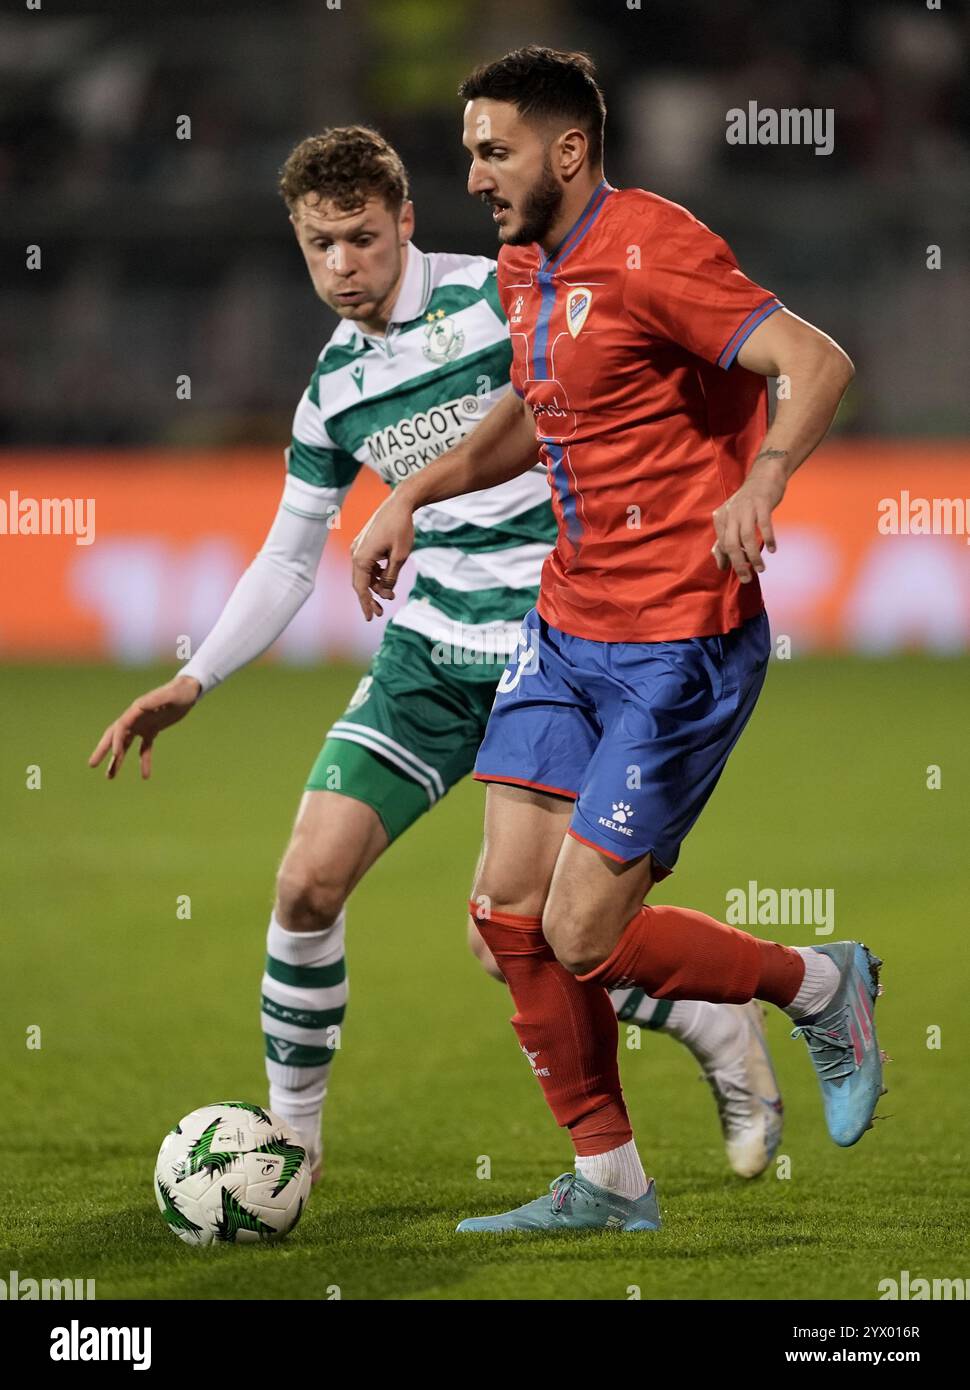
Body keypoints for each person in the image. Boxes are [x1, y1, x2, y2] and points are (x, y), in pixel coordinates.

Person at [88, 125, 783, 1186]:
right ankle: (289, 1148)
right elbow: (287, 555)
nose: (341, 268)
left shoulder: (499, 300)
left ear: (406, 220)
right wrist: (194, 679)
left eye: (361, 239)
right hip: (430, 653)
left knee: (522, 936)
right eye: (317, 246)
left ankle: (713, 1022)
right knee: (306, 884)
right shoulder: (330, 392)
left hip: (556, 644)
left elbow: (604, 393)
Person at [350, 49, 883, 1234]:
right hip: (569, 623)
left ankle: (820, 986)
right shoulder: (526, 265)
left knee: (581, 933)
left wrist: (767, 481)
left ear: (568, 151)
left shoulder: (653, 246)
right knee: (504, 919)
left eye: (496, 151)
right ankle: (608, 1180)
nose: (476, 175)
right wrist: (413, 492)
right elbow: (536, 411)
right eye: (473, 150)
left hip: (679, 640)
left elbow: (816, 360)